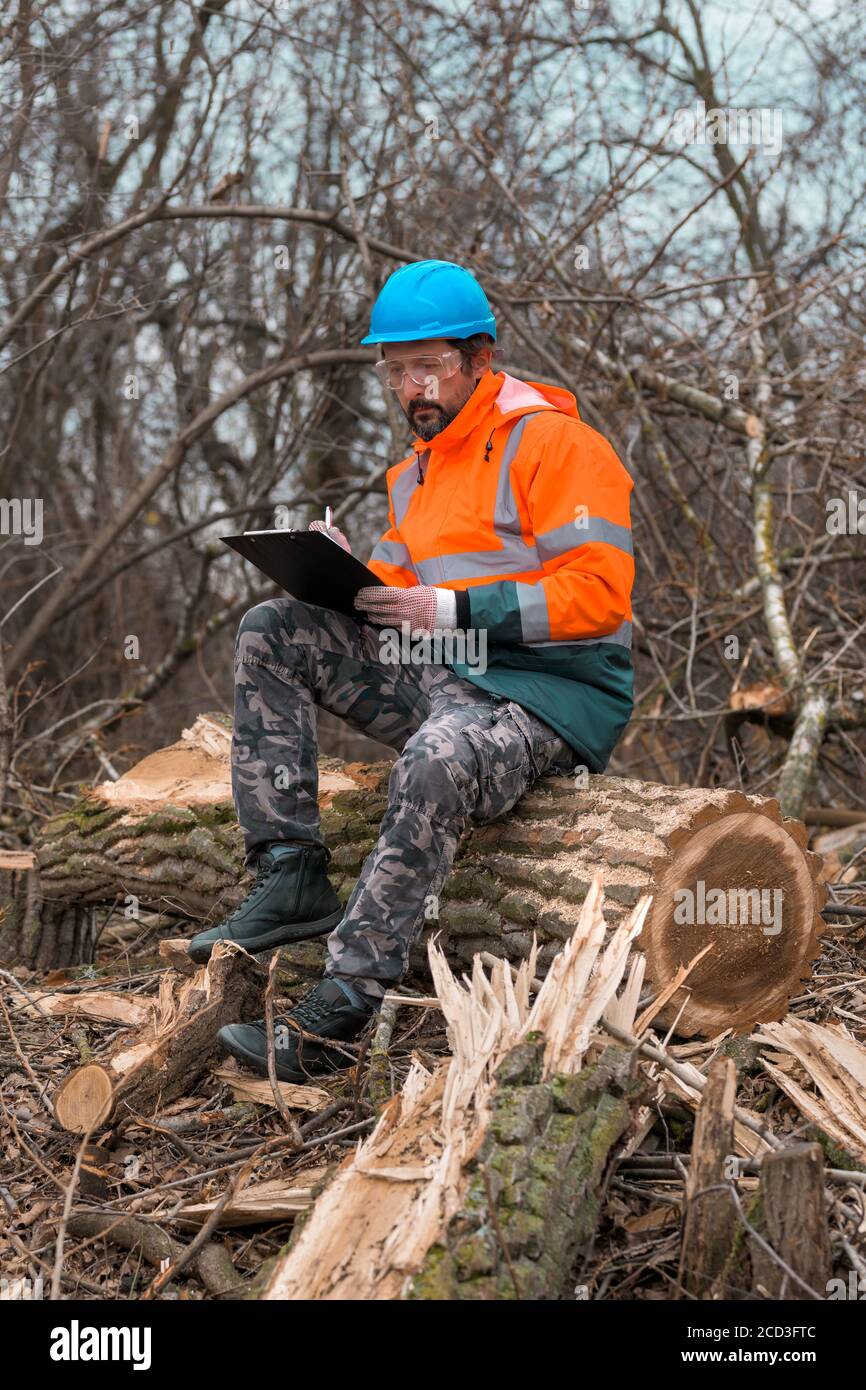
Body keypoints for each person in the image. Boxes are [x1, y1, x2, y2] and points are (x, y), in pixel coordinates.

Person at [189, 259, 635, 1084]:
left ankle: (337, 1016)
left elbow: (600, 594)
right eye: (395, 370)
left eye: (427, 365)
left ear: (479, 357)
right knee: (274, 630)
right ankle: (289, 873)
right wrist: (350, 576)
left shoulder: (560, 447)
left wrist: (456, 611)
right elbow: (404, 599)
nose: (410, 387)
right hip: (447, 669)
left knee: (436, 754)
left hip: (551, 689)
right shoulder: (415, 474)